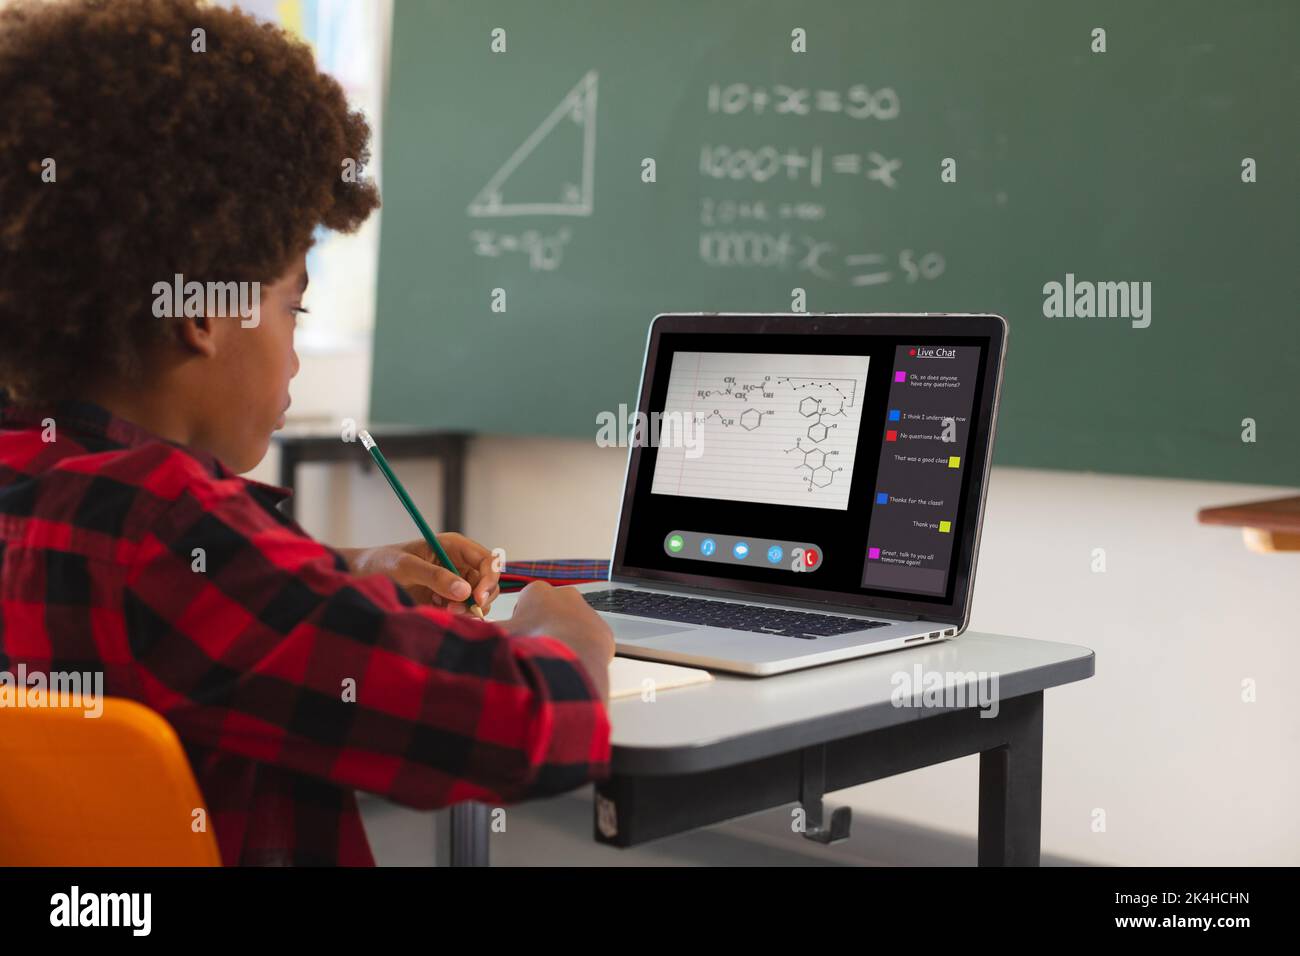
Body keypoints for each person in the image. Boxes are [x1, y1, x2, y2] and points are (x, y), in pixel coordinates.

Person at [0, 0, 614, 865]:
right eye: (296, 306)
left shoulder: (50, 486)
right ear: (205, 312)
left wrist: (346, 570)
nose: (294, 348)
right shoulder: (168, 531)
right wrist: (567, 641)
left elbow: (223, 610)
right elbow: (520, 729)